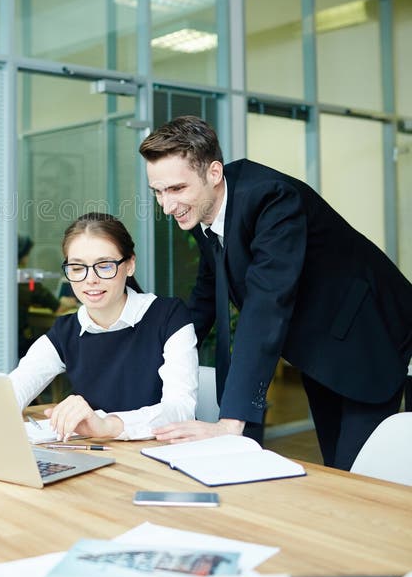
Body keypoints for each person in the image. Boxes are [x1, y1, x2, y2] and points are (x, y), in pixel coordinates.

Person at [139, 115, 412, 470]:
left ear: (214, 173)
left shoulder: (271, 199)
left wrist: (231, 421)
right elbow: (205, 298)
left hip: (369, 336)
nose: (167, 205)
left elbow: (265, 304)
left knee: (361, 475)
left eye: (176, 189)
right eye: (157, 192)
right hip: (319, 343)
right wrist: (151, 366)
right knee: (335, 468)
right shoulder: (202, 208)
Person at [10, 213, 198, 441]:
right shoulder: (66, 331)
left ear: (130, 265)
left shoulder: (168, 317)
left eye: (105, 266)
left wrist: (107, 425)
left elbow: (180, 410)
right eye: (78, 268)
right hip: (96, 457)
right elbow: (15, 388)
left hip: (155, 459)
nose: (90, 279)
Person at [17, 235, 67, 358]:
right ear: (23, 257)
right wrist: (68, 302)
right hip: (20, 342)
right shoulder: (25, 279)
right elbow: (59, 308)